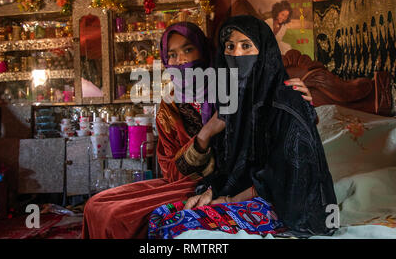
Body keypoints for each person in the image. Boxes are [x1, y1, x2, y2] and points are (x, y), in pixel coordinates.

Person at [82, 21, 313, 239]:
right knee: (97, 204)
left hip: (225, 182)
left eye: (188, 50)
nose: (181, 60)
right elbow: (171, 171)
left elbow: (281, 137)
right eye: (172, 54)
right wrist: (204, 135)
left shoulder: (234, 89)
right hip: (184, 182)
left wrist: (299, 100)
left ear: (203, 51)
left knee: (119, 216)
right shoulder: (169, 105)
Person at [148, 16, 336, 239]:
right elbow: (235, 166)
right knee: (161, 217)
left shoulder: (287, 97)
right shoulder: (235, 102)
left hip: (288, 206)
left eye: (246, 45)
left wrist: (228, 200)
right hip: (244, 194)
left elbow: (285, 173)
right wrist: (213, 192)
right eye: (230, 46)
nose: (236, 54)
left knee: (178, 228)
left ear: (264, 50)